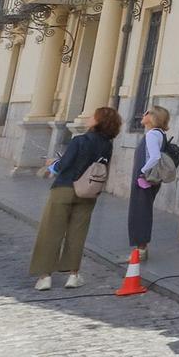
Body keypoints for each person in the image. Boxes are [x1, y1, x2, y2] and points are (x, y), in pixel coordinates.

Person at [30, 106, 122, 291]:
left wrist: (52, 164)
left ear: (98, 120)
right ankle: (73, 275)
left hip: (64, 188)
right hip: (88, 192)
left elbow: (64, 165)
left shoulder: (79, 140)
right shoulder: (107, 145)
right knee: (77, 234)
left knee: (51, 231)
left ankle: (45, 276)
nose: (89, 118)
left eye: (92, 116)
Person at [129, 105, 171, 262]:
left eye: (146, 112)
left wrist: (142, 172)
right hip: (149, 177)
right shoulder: (159, 134)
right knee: (142, 209)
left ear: (153, 117)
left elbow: (154, 157)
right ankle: (140, 247)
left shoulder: (152, 135)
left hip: (145, 177)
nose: (143, 114)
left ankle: (140, 249)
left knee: (140, 210)